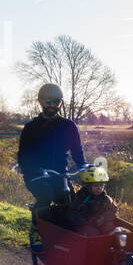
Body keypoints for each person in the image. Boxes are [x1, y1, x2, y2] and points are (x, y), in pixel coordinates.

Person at [18, 82, 86, 218]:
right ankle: (37, 230)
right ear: (41, 101)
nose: (52, 105)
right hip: (36, 175)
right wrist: (32, 169)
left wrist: (83, 165)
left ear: (60, 103)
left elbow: (77, 149)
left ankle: (61, 233)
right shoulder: (31, 127)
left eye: (56, 102)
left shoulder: (68, 126)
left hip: (59, 174)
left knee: (69, 201)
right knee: (46, 195)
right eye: (48, 101)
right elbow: (23, 156)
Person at [69, 165, 118, 236]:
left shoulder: (105, 198)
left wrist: (102, 219)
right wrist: (85, 221)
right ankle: (97, 244)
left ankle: (109, 243)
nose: (99, 188)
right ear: (87, 186)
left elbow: (112, 210)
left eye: (101, 185)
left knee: (109, 226)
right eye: (95, 185)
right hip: (86, 224)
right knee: (92, 232)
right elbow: (72, 212)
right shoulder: (80, 198)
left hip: (100, 222)